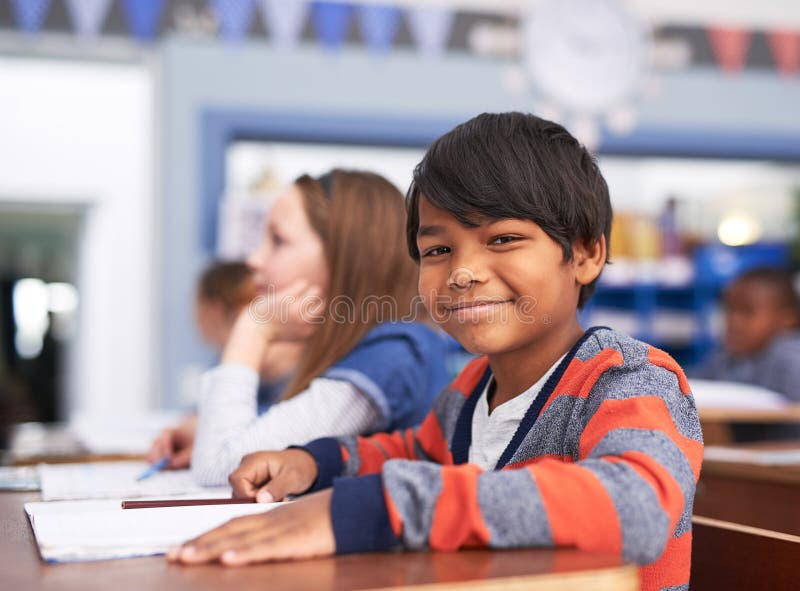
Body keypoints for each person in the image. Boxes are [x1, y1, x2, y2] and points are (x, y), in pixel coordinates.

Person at [167, 113, 703, 591]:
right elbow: (412, 454)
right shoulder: (467, 391)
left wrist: (387, 506)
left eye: (502, 239)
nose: (463, 272)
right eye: (438, 250)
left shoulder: (632, 379)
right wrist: (316, 461)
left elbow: (635, 507)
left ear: (586, 253)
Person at [187, 169, 451, 485]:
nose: (254, 260)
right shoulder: (361, 348)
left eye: (278, 240)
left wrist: (252, 330)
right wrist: (202, 430)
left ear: (345, 257)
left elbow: (219, 469)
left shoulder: (394, 356)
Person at [148, 261, 303, 469]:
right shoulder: (225, 360)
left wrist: (204, 431)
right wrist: (195, 433)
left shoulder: (276, 364)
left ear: (214, 310)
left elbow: (280, 426)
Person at [694, 266, 800, 440]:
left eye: (747, 311)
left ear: (786, 319)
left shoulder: (789, 355)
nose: (734, 321)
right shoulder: (726, 355)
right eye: (729, 310)